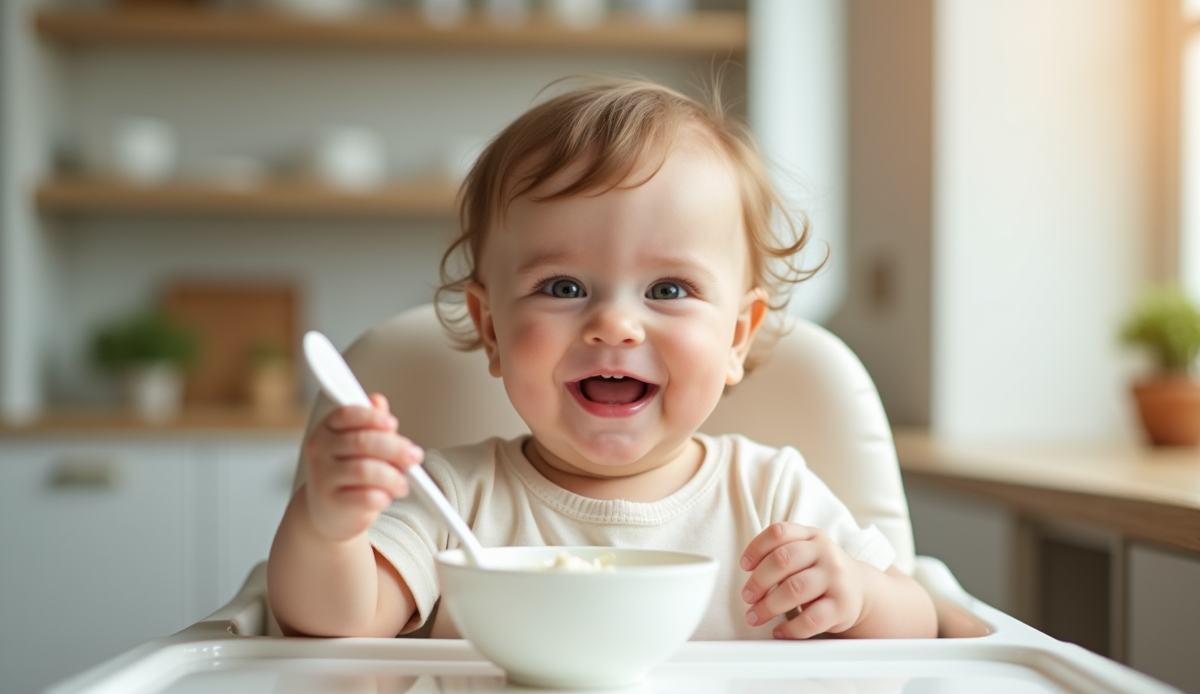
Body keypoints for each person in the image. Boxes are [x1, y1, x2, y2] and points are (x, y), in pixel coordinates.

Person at [268, 77, 938, 641]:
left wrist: (858, 596)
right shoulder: (455, 499)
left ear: (738, 337)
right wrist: (328, 527)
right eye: (564, 288)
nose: (614, 324)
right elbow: (339, 623)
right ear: (492, 330)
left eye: (668, 289)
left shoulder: (770, 494)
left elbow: (920, 624)